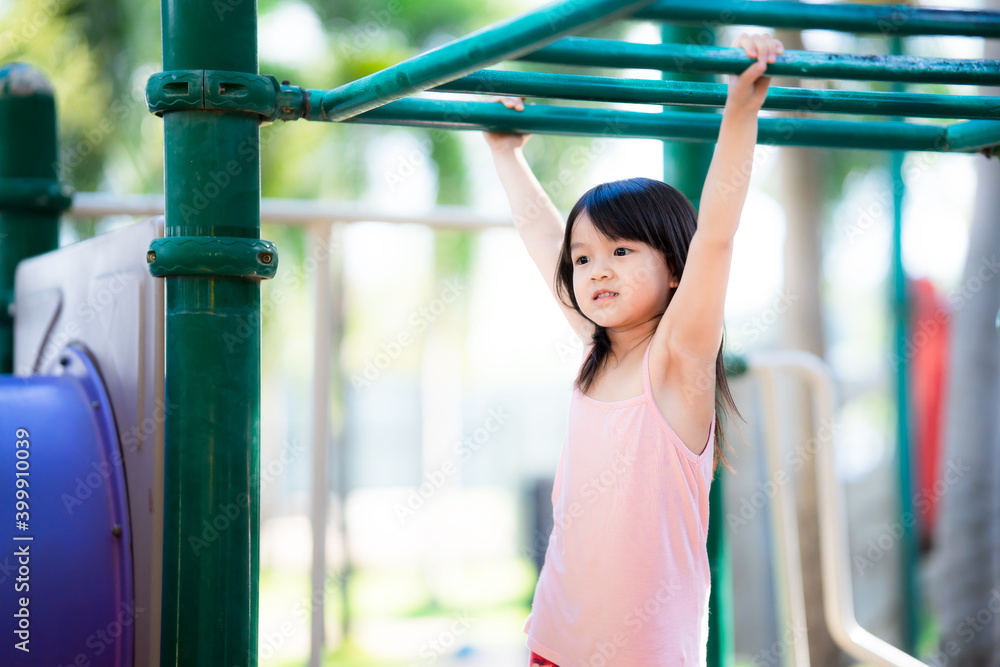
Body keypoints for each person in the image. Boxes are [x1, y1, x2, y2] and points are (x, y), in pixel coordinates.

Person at [482, 31, 784, 667]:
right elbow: (544, 236)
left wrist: (739, 111)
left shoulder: (676, 362)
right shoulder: (599, 349)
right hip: (555, 639)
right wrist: (506, 155)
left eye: (622, 252)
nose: (597, 270)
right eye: (587, 257)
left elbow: (718, 238)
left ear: (674, 267)